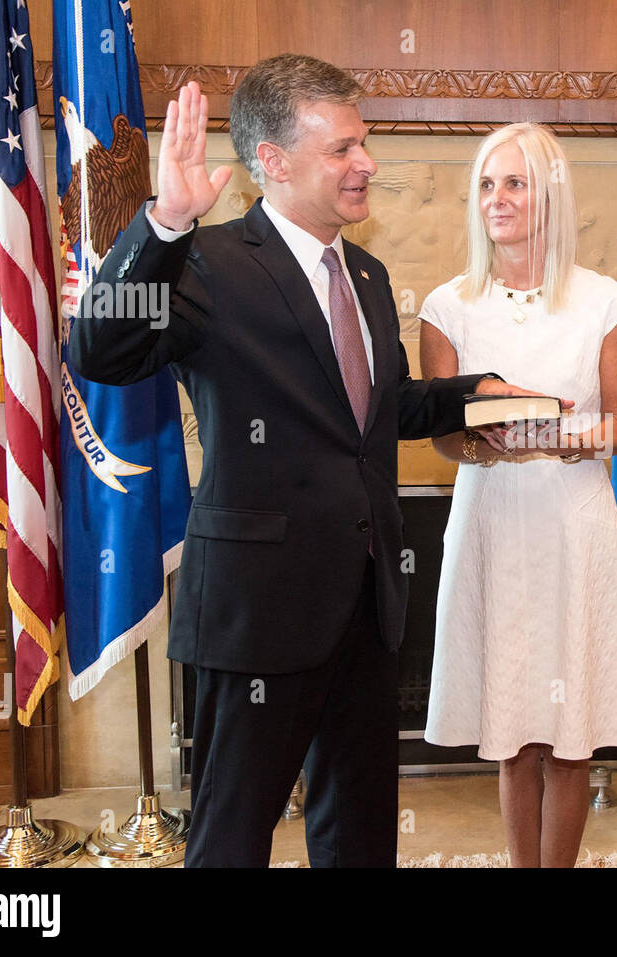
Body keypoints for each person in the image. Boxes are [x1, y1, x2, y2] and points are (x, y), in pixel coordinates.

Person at [68, 55, 538, 867]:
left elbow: (372, 415)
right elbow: (99, 346)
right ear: (274, 163)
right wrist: (164, 225)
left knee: (359, 836)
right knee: (231, 838)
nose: (368, 165)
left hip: (365, 603)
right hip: (257, 615)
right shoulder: (205, 262)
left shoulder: (365, 270)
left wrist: (472, 395)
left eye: (365, 143)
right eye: (343, 149)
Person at [418, 123, 617, 867]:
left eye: (514, 183)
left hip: (572, 527)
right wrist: (487, 441)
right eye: (486, 184)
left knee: (568, 725)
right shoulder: (447, 304)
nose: (497, 199)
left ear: (549, 192)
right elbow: (444, 437)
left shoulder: (604, 301)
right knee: (512, 725)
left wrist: (548, 435)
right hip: (490, 521)